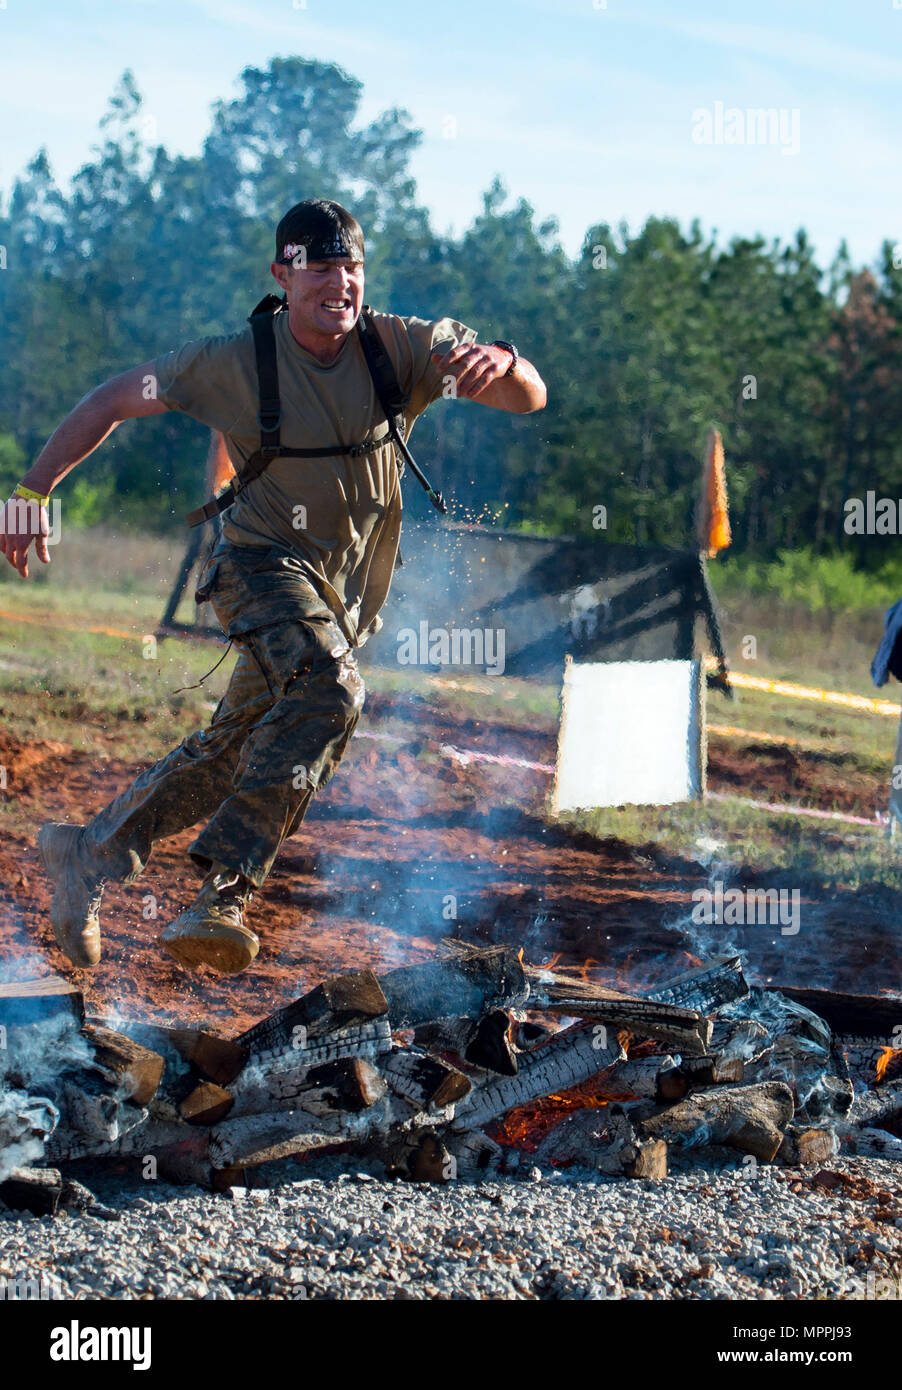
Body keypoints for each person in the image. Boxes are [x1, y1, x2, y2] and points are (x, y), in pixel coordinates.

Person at [0, 198, 547, 976]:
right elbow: (114, 399)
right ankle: (223, 893)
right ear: (282, 275)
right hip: (257, 567)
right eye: (320, 266)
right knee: (331, 692)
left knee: (229, 756)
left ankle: (88, 855)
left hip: (337, 598)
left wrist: (508, 362)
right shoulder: (232, 362)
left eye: (351, 266)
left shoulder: (401, 348)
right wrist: (31, 492)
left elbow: (530, 396)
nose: (340, 282)